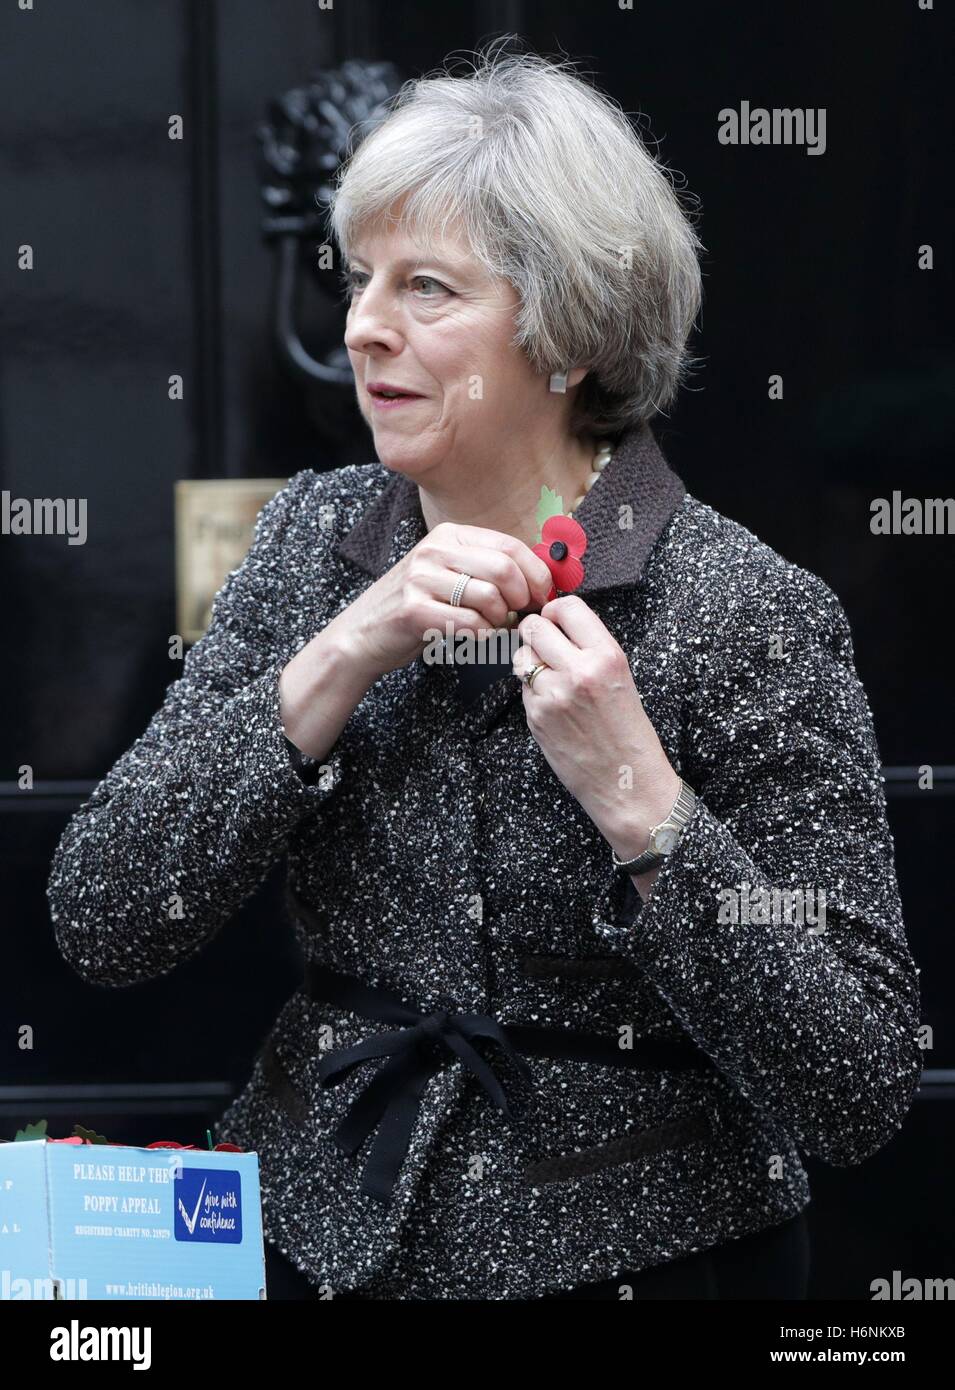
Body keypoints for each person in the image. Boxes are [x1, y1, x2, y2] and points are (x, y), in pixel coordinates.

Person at [47, 40, 921, 1301]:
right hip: (318, 1234)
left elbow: (856, 1084)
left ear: (567, 331)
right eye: (358, 281)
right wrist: (342, 653)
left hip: (646, 1263)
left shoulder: (750, 614)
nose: (361, 327)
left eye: (428, 289)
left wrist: (645, 808)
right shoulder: (309, 543)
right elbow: (102, 915)